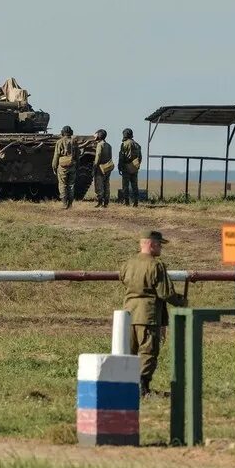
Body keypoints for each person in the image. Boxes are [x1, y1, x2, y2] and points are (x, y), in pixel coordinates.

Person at [119, 230, 187, 396]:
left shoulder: (128, 263)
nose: (160, 249)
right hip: (148, 315)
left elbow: (123, 279)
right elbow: (165, 293)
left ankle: (127, 387)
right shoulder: (156, 265)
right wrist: (182, 301)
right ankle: (143, 388)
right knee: (148, 351)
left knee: (129, 351)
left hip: (128, 314)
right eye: (159, 245)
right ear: (151, 244)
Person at [51, 125, 79, 209]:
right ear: (71, 132)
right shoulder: (74, 141)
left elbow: (56, 155)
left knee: (62, 184)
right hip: (72, 165)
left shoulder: (59, 142)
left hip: (62, 166)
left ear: (62, 132)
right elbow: (77, 155)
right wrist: (77, 164)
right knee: (71, 185)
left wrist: (54, 166)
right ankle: (70, 204)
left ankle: (64, 203)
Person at [117, 128, 142, 207]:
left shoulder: (124, 144)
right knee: (135, 185)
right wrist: (137, 165)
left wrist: (119, 167)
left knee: (125, 185)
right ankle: (136, 202)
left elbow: (121, 157)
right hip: (134, 167)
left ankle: (127, 202)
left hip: (126, 166)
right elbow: (140, 157)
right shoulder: (137, 144)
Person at [92, 129, 114, 208]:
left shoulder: (100, 145)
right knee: (106, 185)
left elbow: (98, 157)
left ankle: (100, 202)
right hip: (107, 167)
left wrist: (95, 167)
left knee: (99, 185)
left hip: (100, 168)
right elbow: (110, 157)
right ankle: (106, 202)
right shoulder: (108, 145)